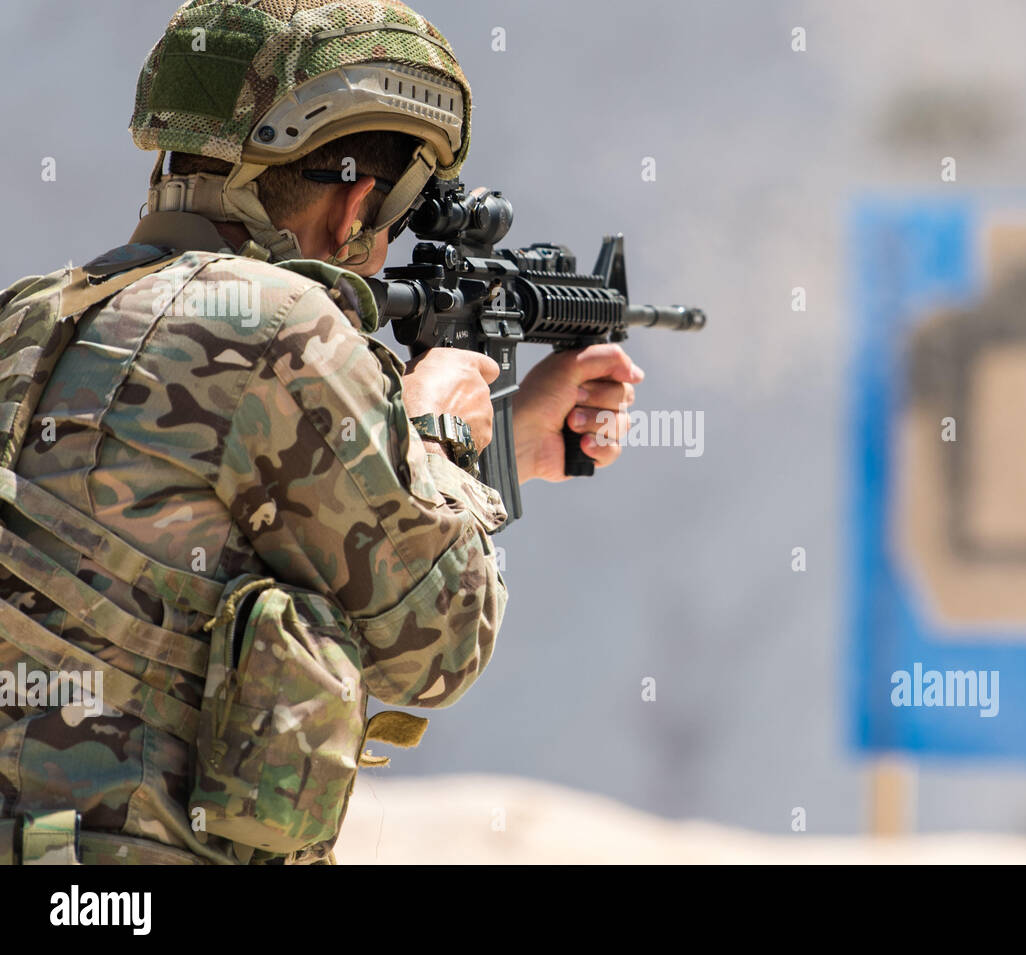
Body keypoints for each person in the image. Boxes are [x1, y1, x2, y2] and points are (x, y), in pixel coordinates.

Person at [0, 0, 640, 865]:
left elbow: (222, 519)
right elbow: (443, 642)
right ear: (356, 206)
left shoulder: (36, 314)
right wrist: (441, 430)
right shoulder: (279, 324)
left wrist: (506, 445)